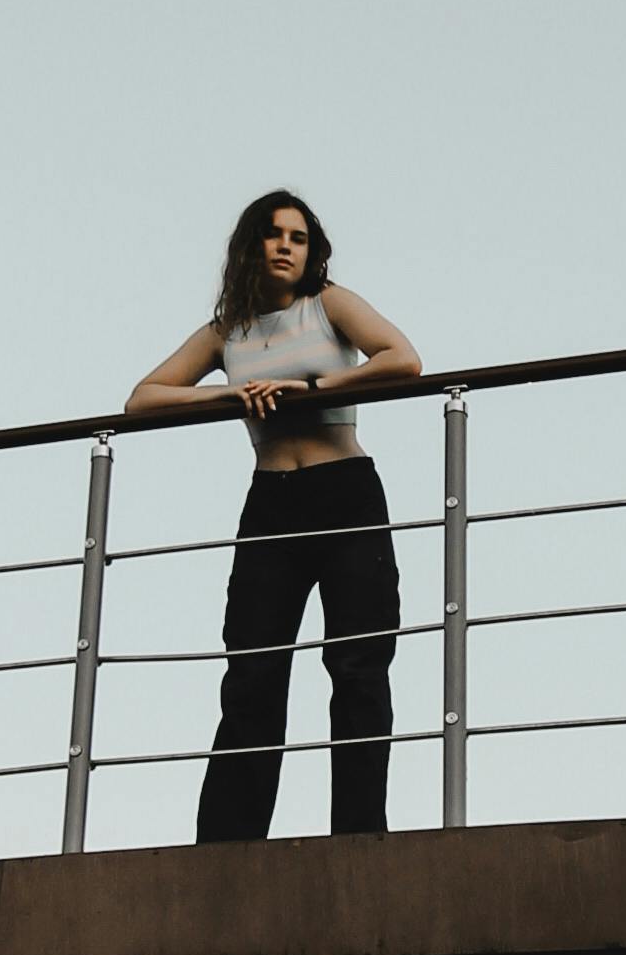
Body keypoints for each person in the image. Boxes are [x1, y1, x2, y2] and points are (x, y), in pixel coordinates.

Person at [129, 192, 421, 839]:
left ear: (311, 250)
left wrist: (309, 389)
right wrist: (230, 395)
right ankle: (228, 845)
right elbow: (141, 400)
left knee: (357, 669)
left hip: (345, 493)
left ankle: (359, 839)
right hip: (271, 507)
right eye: (272, 235)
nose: (286, 246)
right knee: (254, 673)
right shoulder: (226, 332)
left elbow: (402, 359)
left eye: (298, 236)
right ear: (251, 247)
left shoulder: (330, 305)